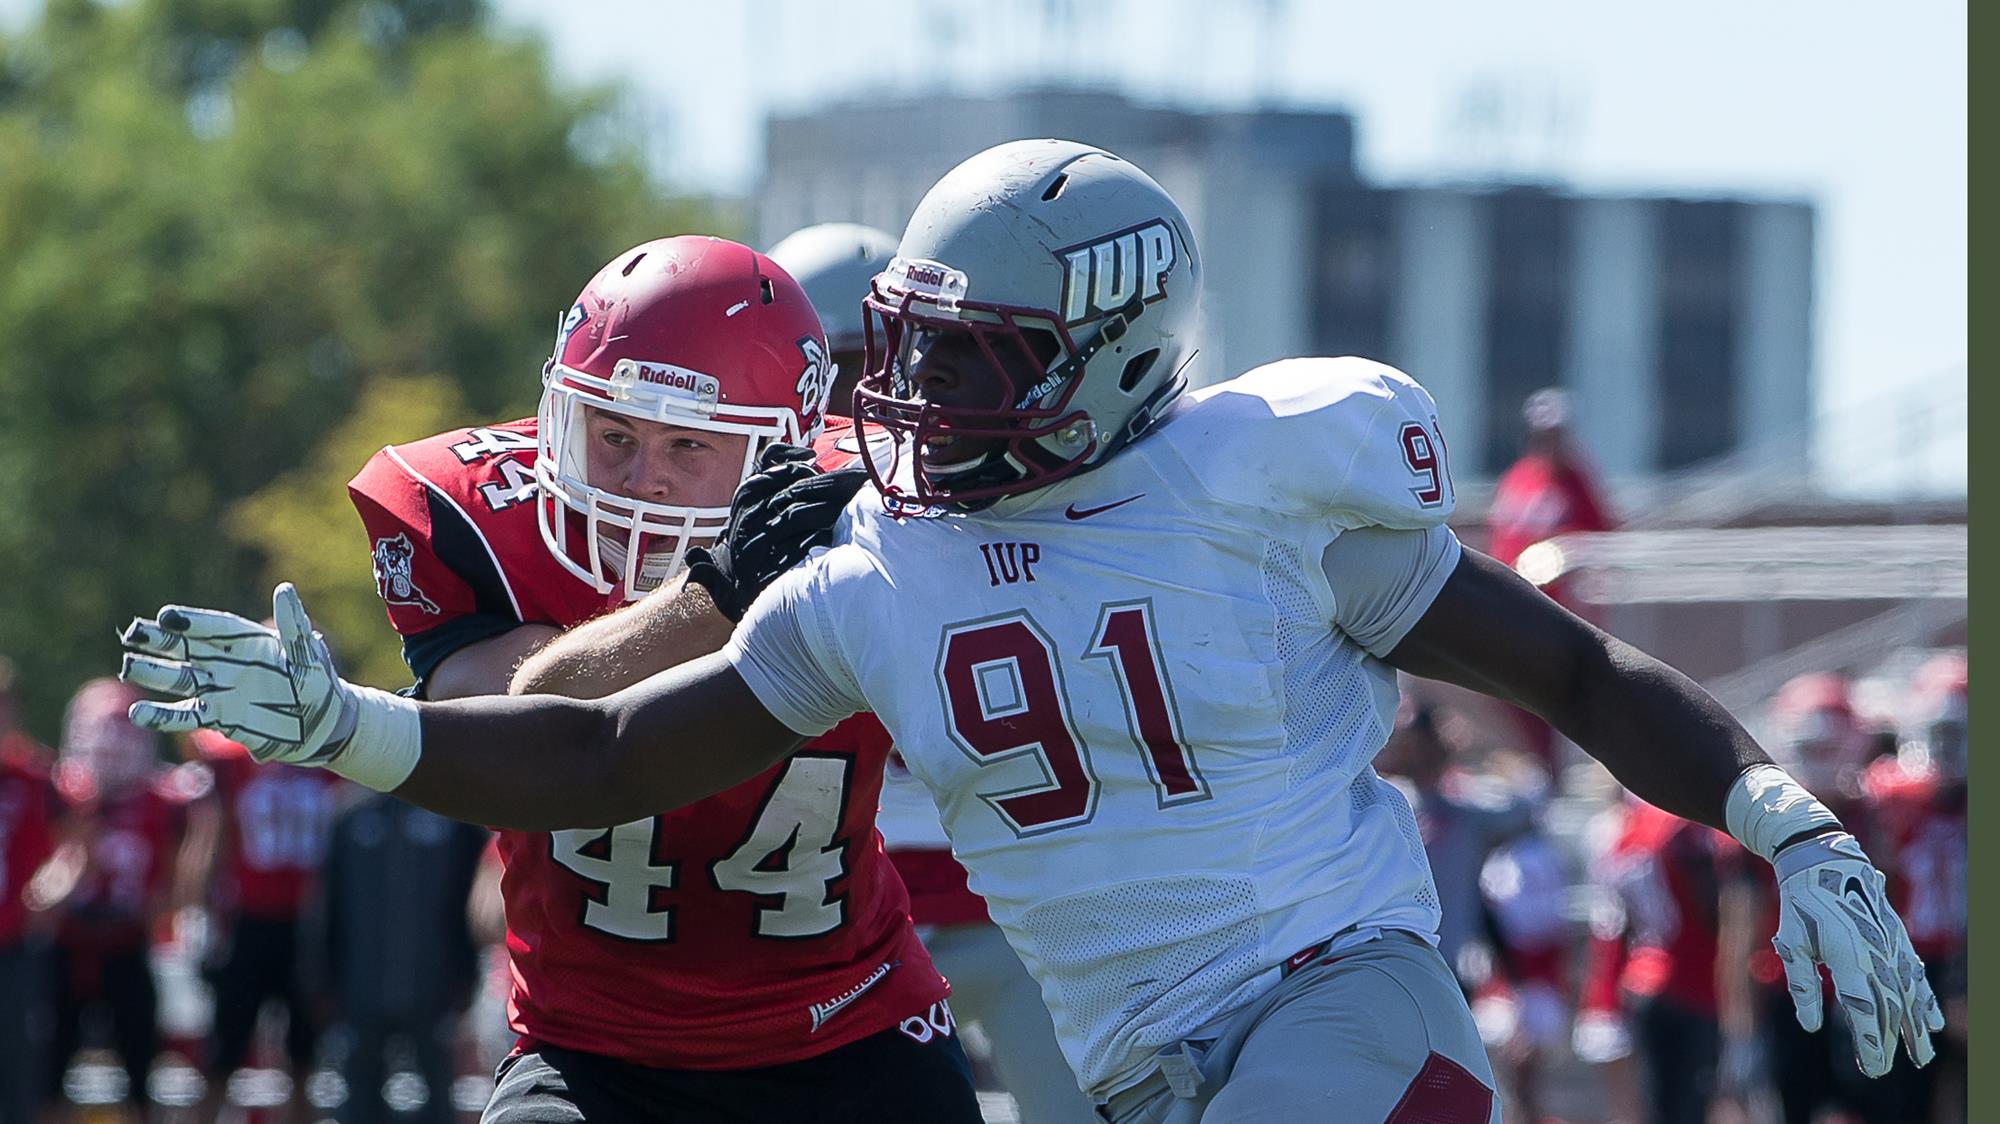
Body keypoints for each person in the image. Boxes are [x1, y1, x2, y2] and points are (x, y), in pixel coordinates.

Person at [121, 140, 1942, 1123]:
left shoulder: (1264, 483)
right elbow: (605, 748)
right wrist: (349, 723)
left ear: (1125, 351)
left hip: (1341, 992)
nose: (913, 397)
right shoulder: (869, 566)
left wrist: (1778, 809)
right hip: (1134, 1058)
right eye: (904, 346)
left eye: (972, 359)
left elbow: (1569, 665)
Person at [335, 235, 979, 1123]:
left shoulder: (868, 509)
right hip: (590, 1048)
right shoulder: (473, 518)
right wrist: (715, 592)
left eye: (687, 444)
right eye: (613, 434)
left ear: (781, 452)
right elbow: (517, 732)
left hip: (849, 1026)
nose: (643, 481)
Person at [771, 220, 1101, 1124]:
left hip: (1022, 899)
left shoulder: (1008, 490)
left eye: (890, 359)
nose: (869, 396)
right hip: (826, 917)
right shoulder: (751, 523)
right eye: (829, 370)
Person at [39, 679, 195, 1120]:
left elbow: (174, 880)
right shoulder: (57, 792)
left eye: (121, 735)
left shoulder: (163, 800)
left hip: (128, 940)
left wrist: (161, 915)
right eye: (102, 733)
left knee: (140, 1067)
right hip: (67, 942)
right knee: (48, 1068)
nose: (111, 748)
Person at [183, 728, 340, 1123]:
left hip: (306, 924)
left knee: (304, 1055)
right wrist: (201, 911)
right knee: (224, 1050)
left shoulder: (331, 758)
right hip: (248, 920)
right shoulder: (236, 760)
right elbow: (214, 836)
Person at [310, 790, 488, 1124]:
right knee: (359, 1095)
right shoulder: (349, 816)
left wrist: (467, 975)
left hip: (434, 987)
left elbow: (470, 904)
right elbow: (326, 904)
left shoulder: (454, 816)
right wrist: (320, 977)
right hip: (362, 986)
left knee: (438, 1096)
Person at [0, 659, 59, 1123]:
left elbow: (78, 838)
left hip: (11, 943)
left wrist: (51, 889)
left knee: (18, 1069)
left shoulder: (34, 778)